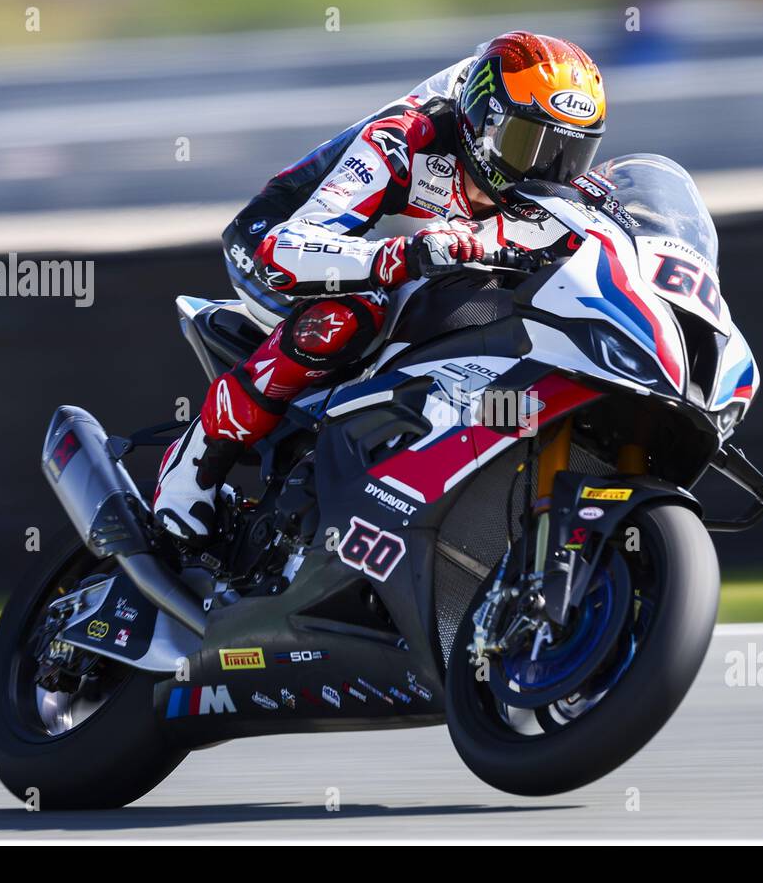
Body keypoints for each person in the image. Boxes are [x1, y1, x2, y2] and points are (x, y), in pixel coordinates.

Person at [153, 31, 607, 543]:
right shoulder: (406, 135)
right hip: (278, 244)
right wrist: (405, 255)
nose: (547, 171)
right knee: (355, 312)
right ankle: (196, 462)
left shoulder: (554, 193)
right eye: (529, 145)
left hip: (401, 264)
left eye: (570, 154)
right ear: (484, 120)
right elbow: (283, 250)